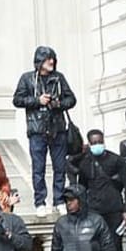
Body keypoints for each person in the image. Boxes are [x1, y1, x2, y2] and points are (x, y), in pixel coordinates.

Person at [13, 46, 77, 218]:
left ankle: (59, 200)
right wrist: (37, 101)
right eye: (49, 59)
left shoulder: (58, 78)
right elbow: (17, 100)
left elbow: (72, 99)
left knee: (60, 167)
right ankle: (40, 202)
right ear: (40, 61)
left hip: (58, 129)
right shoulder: (27, 78)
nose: (52, 62)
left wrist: (58, 104)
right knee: (38, 168)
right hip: (37, 130)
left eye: (53, 59)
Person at [68, 129, 126, 251]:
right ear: (89, 144)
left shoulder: (116, 160)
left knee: (116, 243)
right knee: (94, 243)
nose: (97, 145)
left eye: (99, 142)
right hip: (94, 210)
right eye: (94, 143)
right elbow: (81, 187)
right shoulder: (85, 162)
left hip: (114, 208)